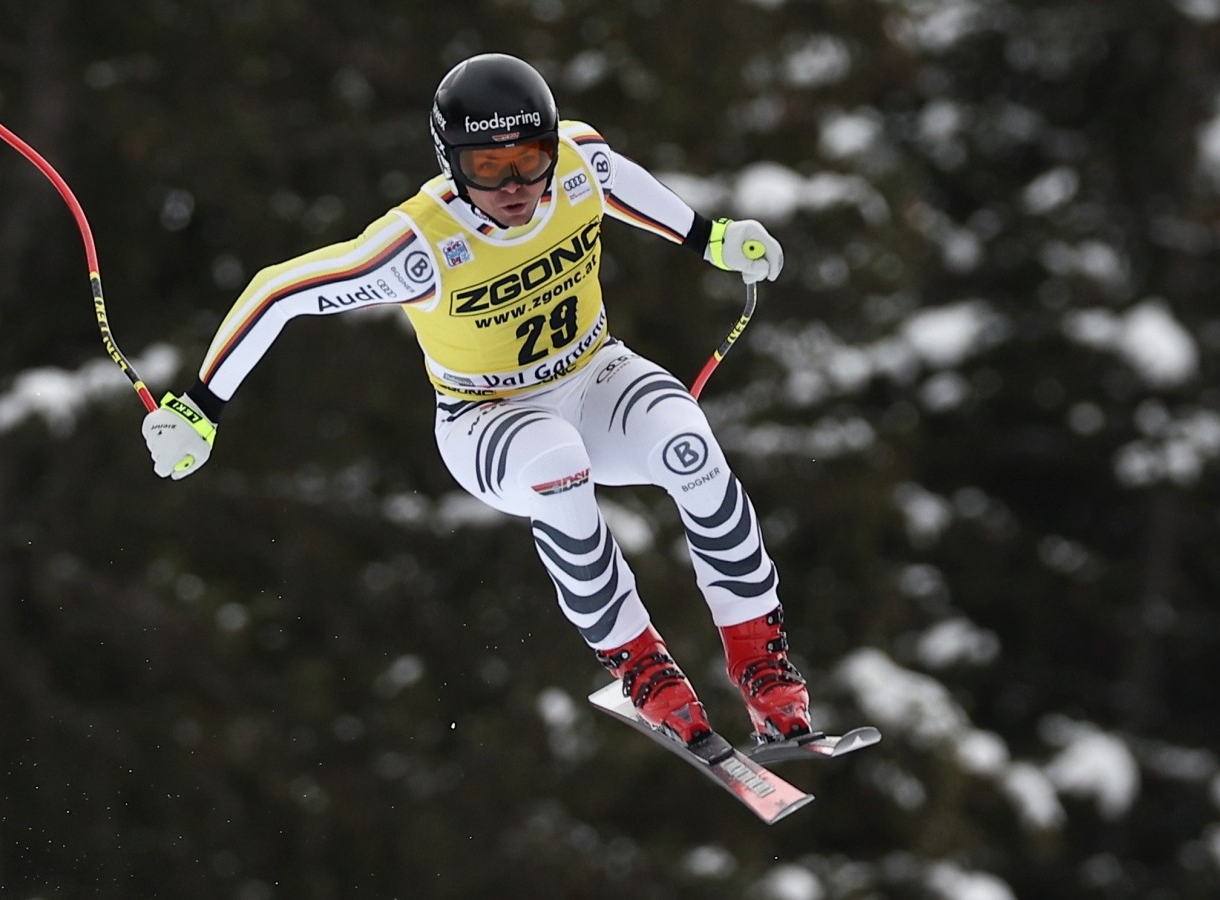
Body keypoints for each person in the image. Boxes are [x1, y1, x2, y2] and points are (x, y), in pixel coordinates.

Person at [142, 53, 810, 748]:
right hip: (488, 418)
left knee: (687, 442)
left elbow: (617, 181)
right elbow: (278, 291)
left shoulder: (576, 164)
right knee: (559, 466)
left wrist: (713, 239)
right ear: (452, 165)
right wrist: (201, 408)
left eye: (530, 159)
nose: (516, 186)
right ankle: (641, 665)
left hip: (595, 374)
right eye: (488, 168)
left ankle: (761, 662)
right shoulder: (417, 246)